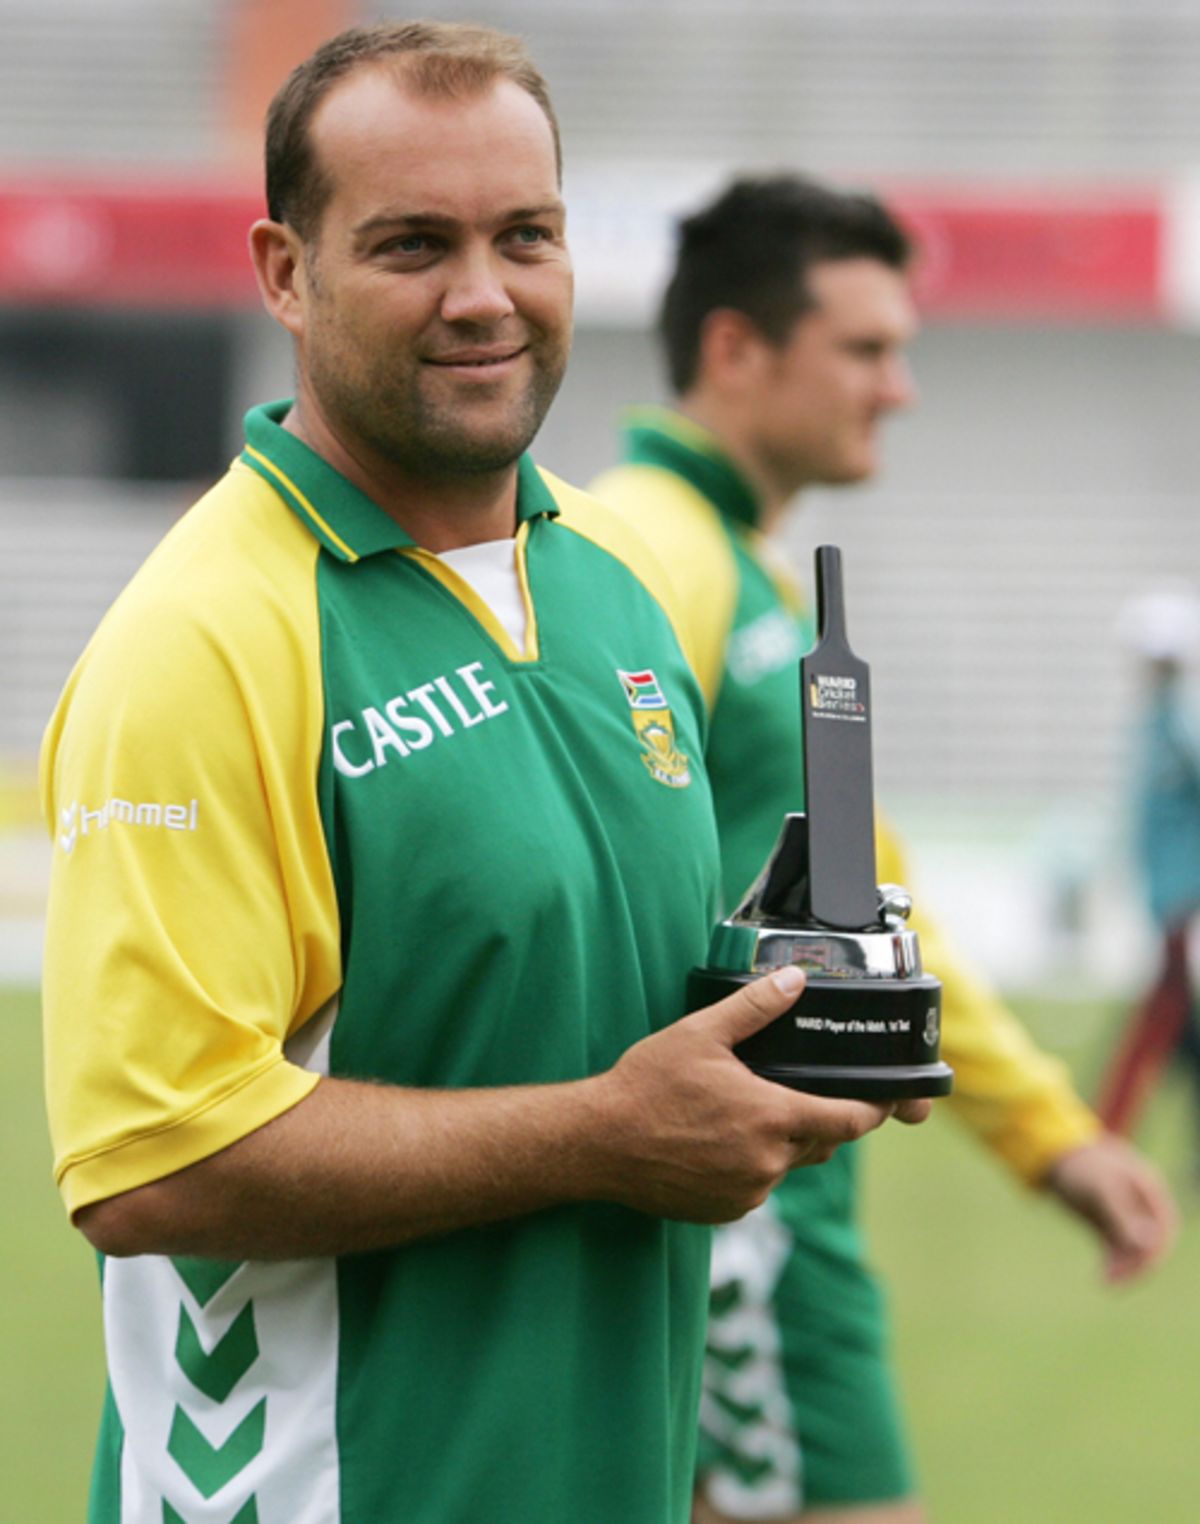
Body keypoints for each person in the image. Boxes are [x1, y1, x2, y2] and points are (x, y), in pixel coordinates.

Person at [39, 37, 931, 1524]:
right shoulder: (207, 637)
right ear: (283, 271)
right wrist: (607, 1133)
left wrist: (789, 1014)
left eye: (527, 236)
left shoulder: (613, 580)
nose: (483, 294)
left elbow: (572, 1006)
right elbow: (152, 1160)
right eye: (411, 245)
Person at [590, 174, 1178, 1524]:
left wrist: (1048, 1136)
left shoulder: (745, 572)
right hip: (751, 1214)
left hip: (753, 1191)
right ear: (736, 348)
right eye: (866, 348)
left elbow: (873, 917)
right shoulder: (643, 551)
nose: (900, 387)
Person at [1097, 585, 1200, 1140]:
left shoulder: (1183, 726)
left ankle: (1109, 1123)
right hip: (1168, 897)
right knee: (1178, 1023)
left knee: (1161, 1016)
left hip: (1183, 900)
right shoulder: (1159, 722)